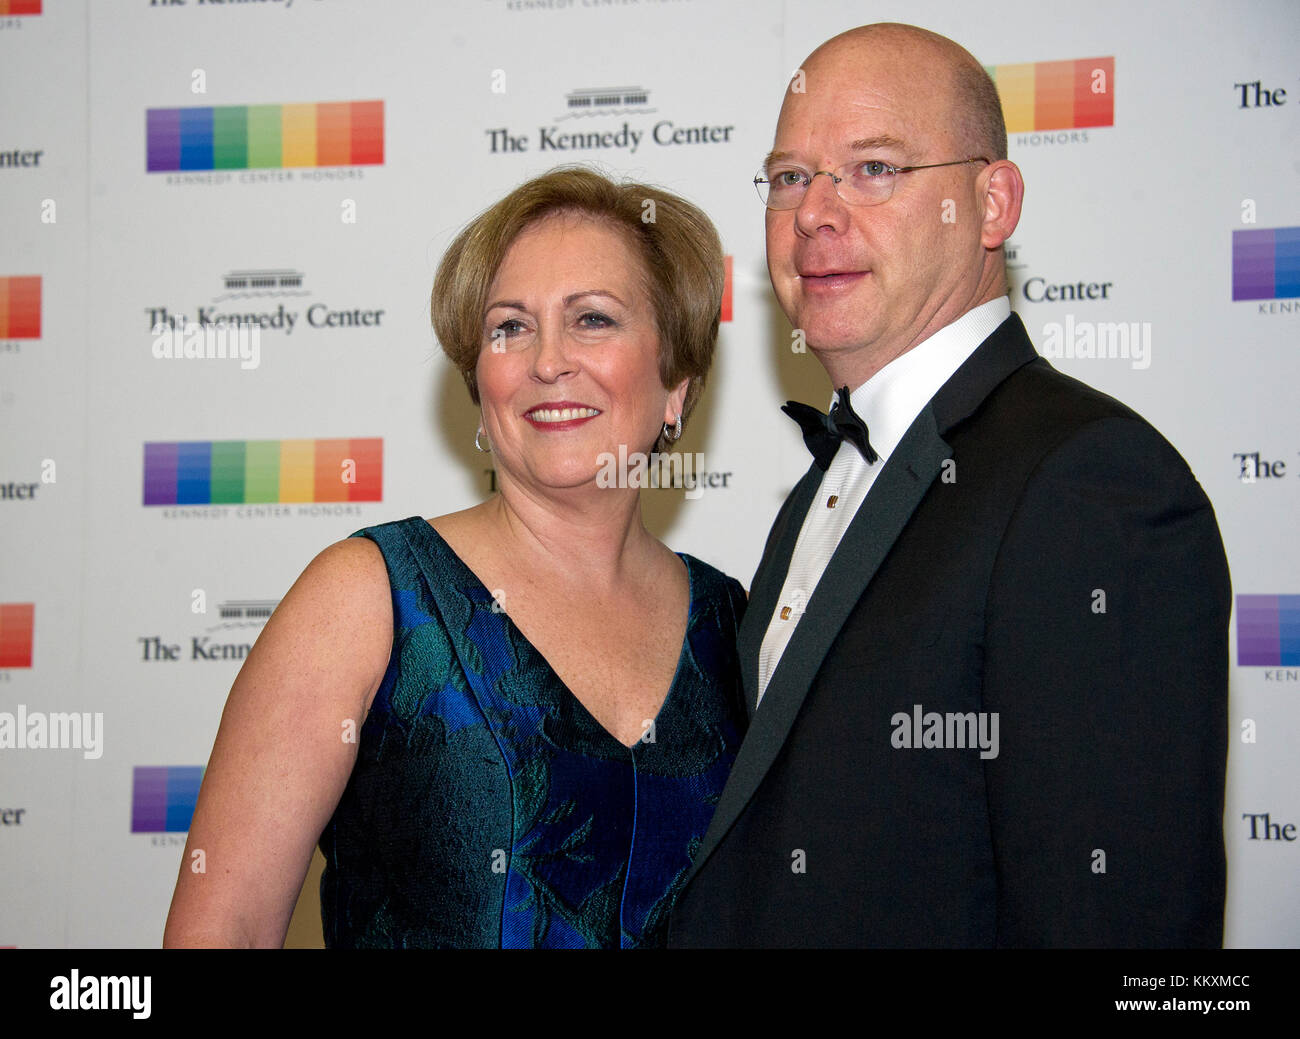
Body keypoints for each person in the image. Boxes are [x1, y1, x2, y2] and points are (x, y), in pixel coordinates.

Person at [668, 23, 1230, 948]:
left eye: (876, 167)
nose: (814, 212)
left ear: (993, 203)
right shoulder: (821, 490)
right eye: (789, 178)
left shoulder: (1091, 485)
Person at [163, 166, 746, 949]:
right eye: (509, 327)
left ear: (676, 382)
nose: (547, 361)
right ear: (479, 383)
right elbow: (222, 934)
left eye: (593, 320)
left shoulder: (731, 621)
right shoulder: (373, 596)